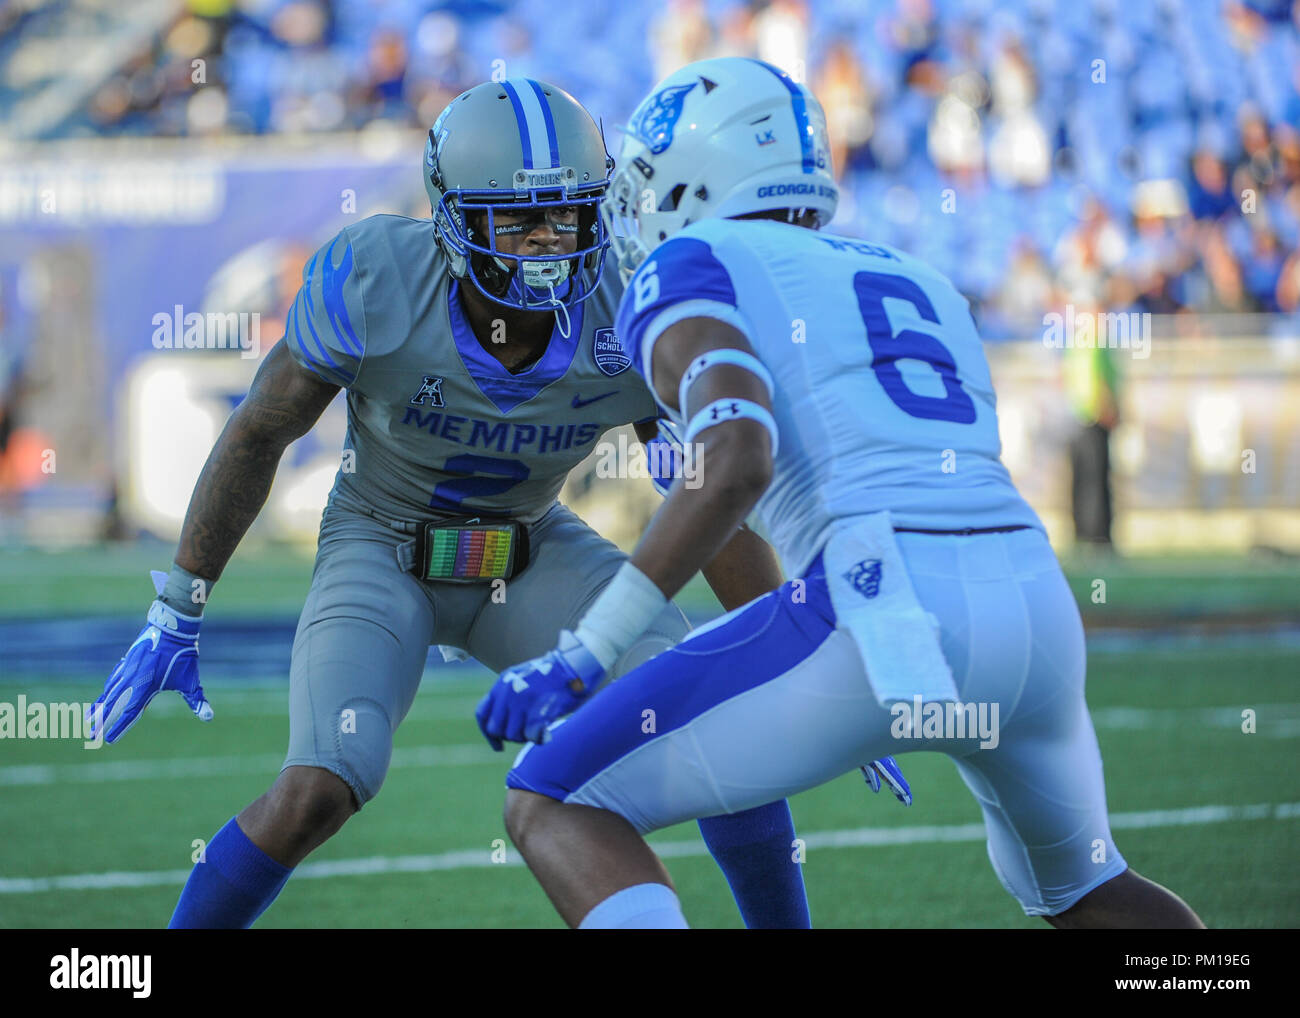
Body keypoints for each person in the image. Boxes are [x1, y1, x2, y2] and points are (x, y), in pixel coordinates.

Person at [92, 78, 908, 930]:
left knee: (712, 728)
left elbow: (699, 485)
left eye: (568, 215)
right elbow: (260, 430)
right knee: (319, 787)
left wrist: (793, 648)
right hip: (381, 543)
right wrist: (179, 605)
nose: (548, 241)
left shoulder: (627, 296)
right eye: (516, 221)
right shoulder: (376, 275)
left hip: (530, 548)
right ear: (451, 219)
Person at [479, 57, 1204, 930]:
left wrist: (587, 651)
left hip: (876, 603)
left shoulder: (695, 261)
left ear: (692, 175)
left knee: (551, 797)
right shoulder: (922, 277)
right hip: (1034, 606)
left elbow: (736, 456)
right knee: (1090, 891)